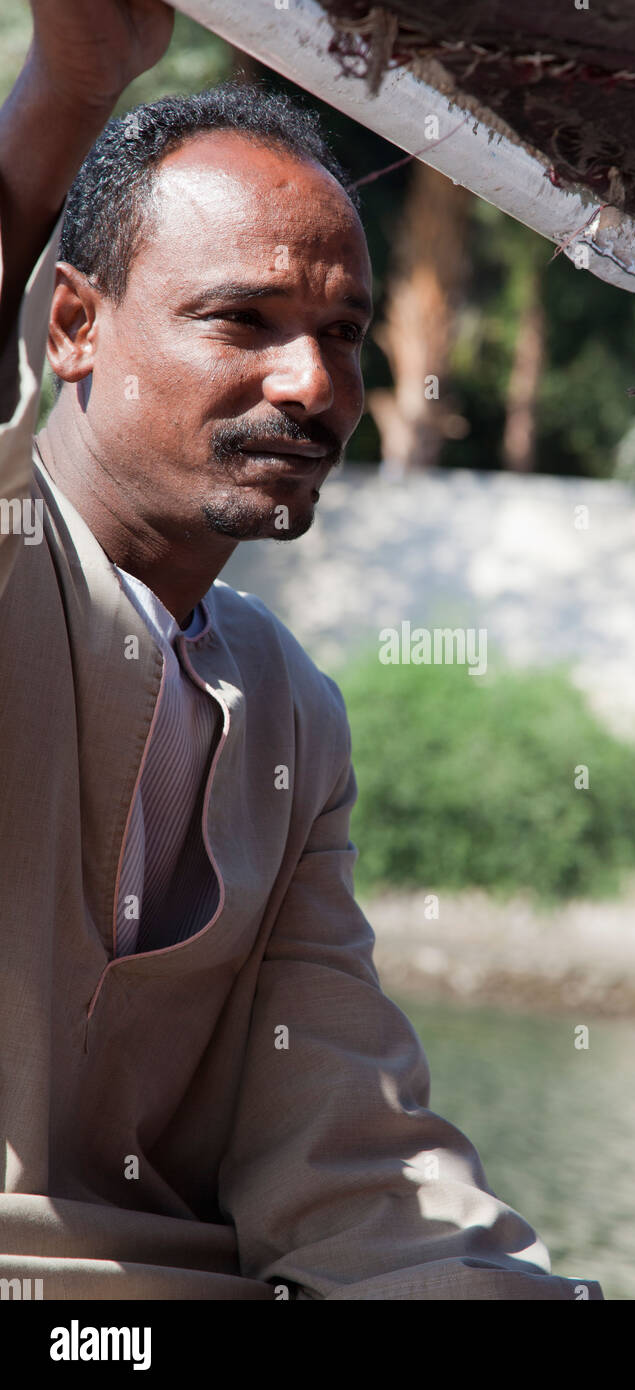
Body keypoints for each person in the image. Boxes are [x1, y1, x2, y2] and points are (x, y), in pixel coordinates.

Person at [0, 0, 603, 1301]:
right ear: (71, 330)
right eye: (243, 319)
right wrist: (65, 91)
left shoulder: (286, 707)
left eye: (339, 333)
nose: (313, 385)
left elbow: (345, 1156)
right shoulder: (11, 554)